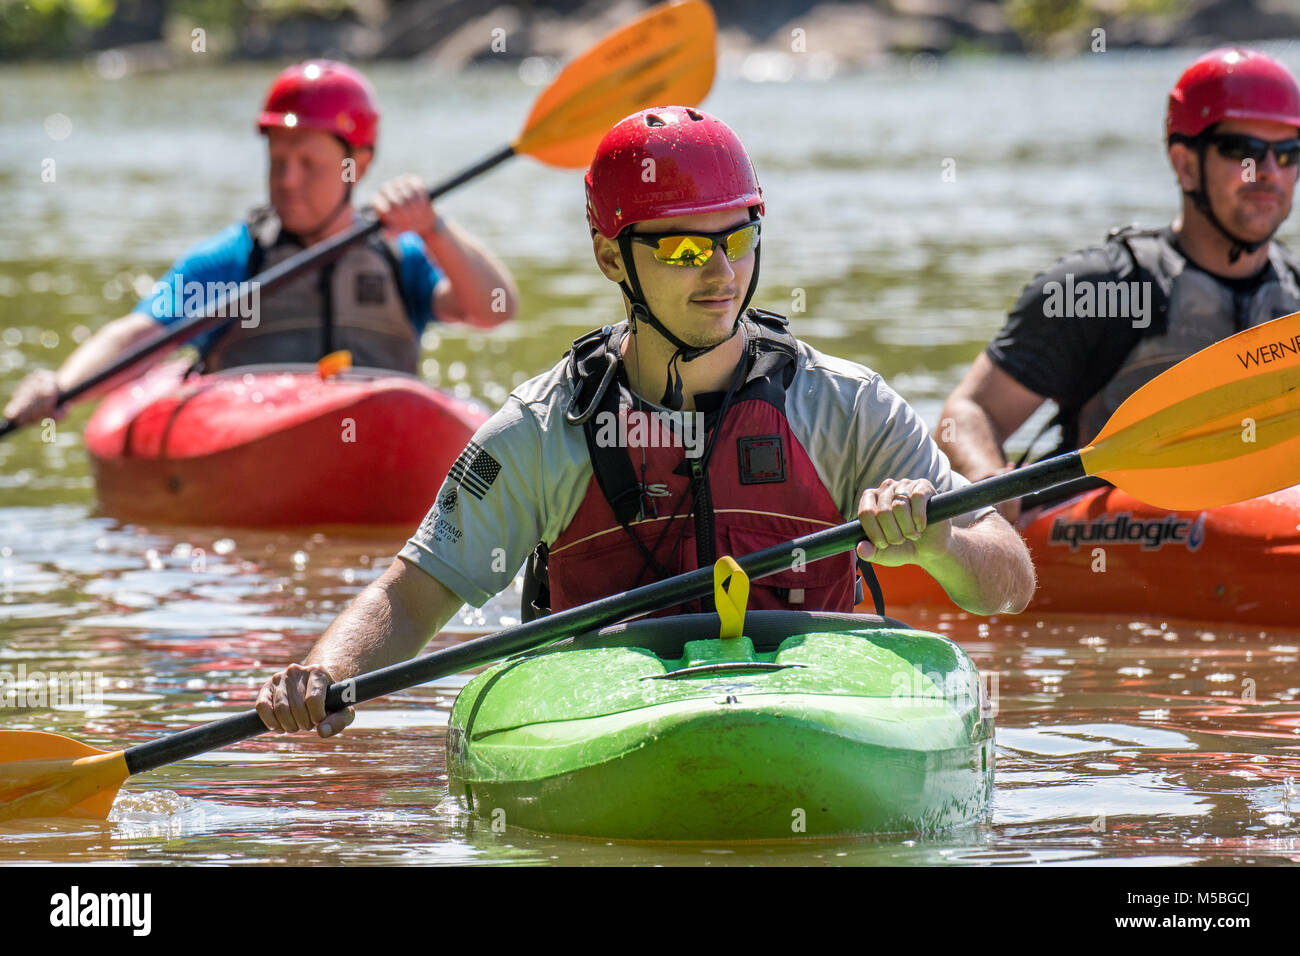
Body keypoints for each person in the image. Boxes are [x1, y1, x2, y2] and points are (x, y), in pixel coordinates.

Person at [255, 106, 1034, 738]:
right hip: (607, 722)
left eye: (737, 239)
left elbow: (1009, 582)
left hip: (815, 716)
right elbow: (416, 593)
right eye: (687, 247)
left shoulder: (844, 404)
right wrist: (326, 675)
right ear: (610, 256)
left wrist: (937, 543)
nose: (721, 274)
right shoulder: (542, 426)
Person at [3, 59, 518, 426]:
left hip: (374, 437)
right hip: (253, 437)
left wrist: (433, 228)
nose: (287, 180)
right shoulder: (236, 259)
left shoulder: (400, 256)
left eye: (308, 164)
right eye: (277, 162)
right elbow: (136, 335)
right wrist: (61, 387)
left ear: (356, 164)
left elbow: (494, 308)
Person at [936, 47, 1300, 521]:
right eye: (1243, 151)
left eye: (1289, 153)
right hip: (1108, 539)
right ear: (1185, 163)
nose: (1269, 172)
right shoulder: (1099, 291)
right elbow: (968, 411)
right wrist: (986, 486)